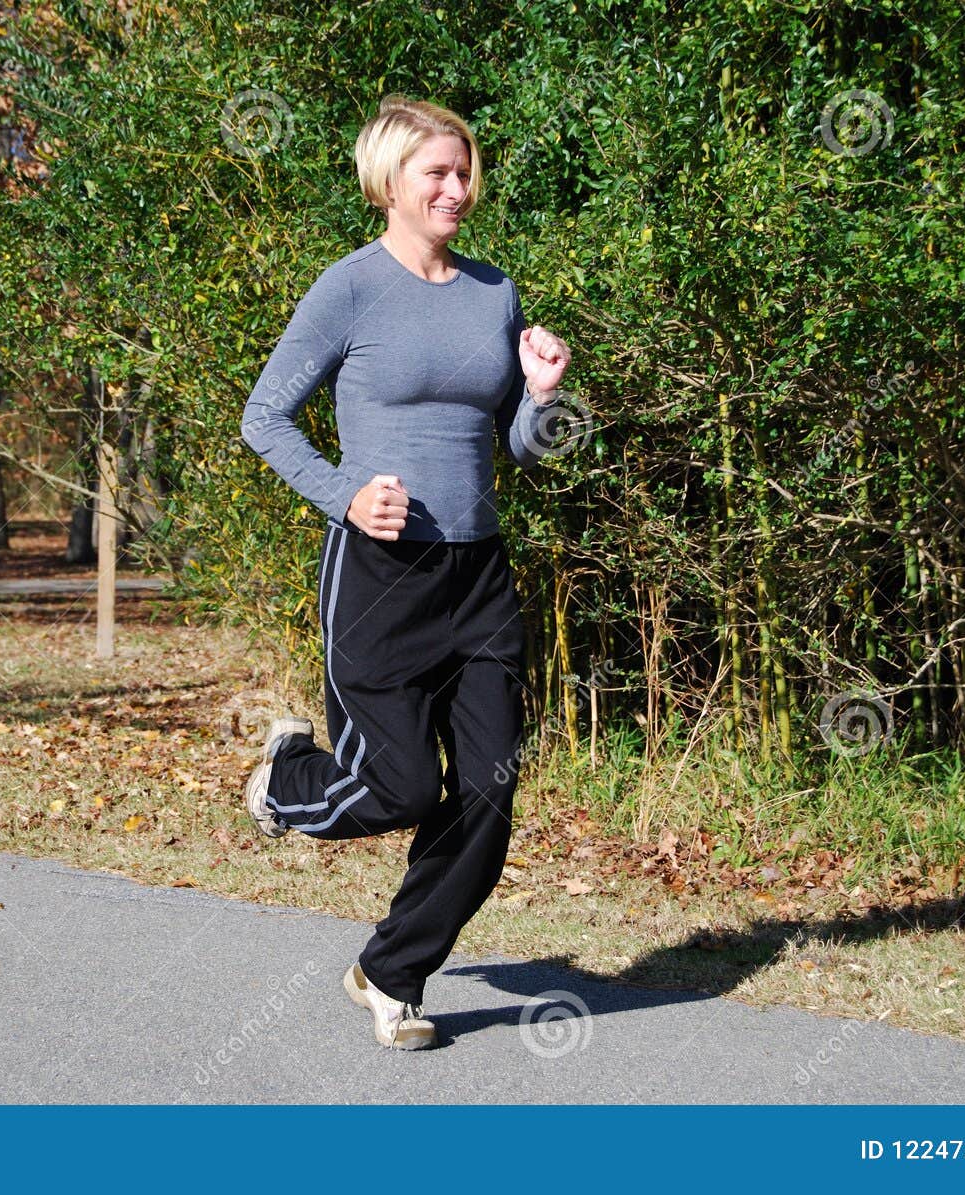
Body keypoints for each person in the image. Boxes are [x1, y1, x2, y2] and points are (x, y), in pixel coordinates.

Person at [238, 94, 573, 1050]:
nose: (458, 188)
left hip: (478, 580)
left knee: (487, 792)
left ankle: (393, 973)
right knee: (399, 789)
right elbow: (266, 417)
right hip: (380, 574)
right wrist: (345, 494)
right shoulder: (347, 289)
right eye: (439, 172)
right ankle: (286, 779)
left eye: (465, 171)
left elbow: (522, 447)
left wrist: (544, 396)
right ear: (390, 181)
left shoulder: (494, 293)